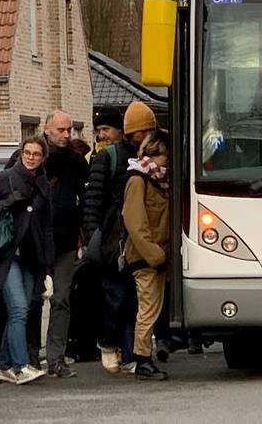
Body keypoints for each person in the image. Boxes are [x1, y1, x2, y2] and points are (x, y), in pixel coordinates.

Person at [2, 111, 88, 378]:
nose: (66, 134)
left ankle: (56, 358)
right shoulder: (27, 161)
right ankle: (28, 356)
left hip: (63, 240)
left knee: (61, 298)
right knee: (31, 300)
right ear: (47, 129)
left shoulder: (76, 162)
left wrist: (83, 233)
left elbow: (84, 199)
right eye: (61, 129)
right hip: (32, 242)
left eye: (69, 130)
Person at [82, 101, 158, 374]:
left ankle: (131, 353)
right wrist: (95, 239)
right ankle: (109, 343)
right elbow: (92, 201)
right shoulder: (109, 157)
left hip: (139, 238)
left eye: (105, 128)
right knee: (117, 297)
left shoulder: (149, 156)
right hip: (114, 239)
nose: (101, 135)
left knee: (135, 299)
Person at [0, 136, 54, 386]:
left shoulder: (43, 184)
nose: (31, 158)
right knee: (19, 309)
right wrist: (7, 204)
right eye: (27, 153)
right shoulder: (5, 178)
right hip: (7, 255)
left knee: (21, 311)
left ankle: (5, 365)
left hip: (31, 257)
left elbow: (46, 226)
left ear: (43, 158)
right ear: (21, 154)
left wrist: (47, 265)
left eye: (36, 154)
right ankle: (20, 366)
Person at [122, 130, 172, 380]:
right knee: (148, 308)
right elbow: (134, 221)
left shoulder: (156, 181)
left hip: (156, 254)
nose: (167, 163)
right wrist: (155, 255)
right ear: (154, 154)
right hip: (146, 256)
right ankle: (141, 359)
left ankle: (142, 357)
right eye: (165, 156)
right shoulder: (138, 180)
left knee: (152, 306)